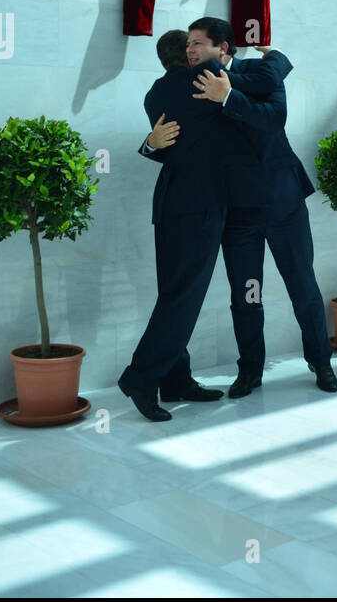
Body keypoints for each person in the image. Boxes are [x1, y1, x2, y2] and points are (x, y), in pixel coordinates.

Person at [120, 28, 286, 421]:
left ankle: (176, 379)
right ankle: (140, 378)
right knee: (183, 298)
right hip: (199, 207)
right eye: (193, 46)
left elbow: (175, 147)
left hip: (170, 204)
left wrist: (150, 143)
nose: (198, 51)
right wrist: (275, 54)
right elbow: (268, 78)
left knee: (173, 294)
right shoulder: (205, 78)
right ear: (189, 55)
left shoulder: (155, 94)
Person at [186, 21, 337, 398]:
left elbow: (273, 120)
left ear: (223, 48)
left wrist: (228, 96)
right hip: (238, 214)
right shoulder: (194, 85)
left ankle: (321, 361)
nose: (189, 50)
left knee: (302, 286)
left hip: (283, 203)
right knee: (246, 295)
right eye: (188, 44)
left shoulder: (261, 72)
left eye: (197, 43)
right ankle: (250, 369)